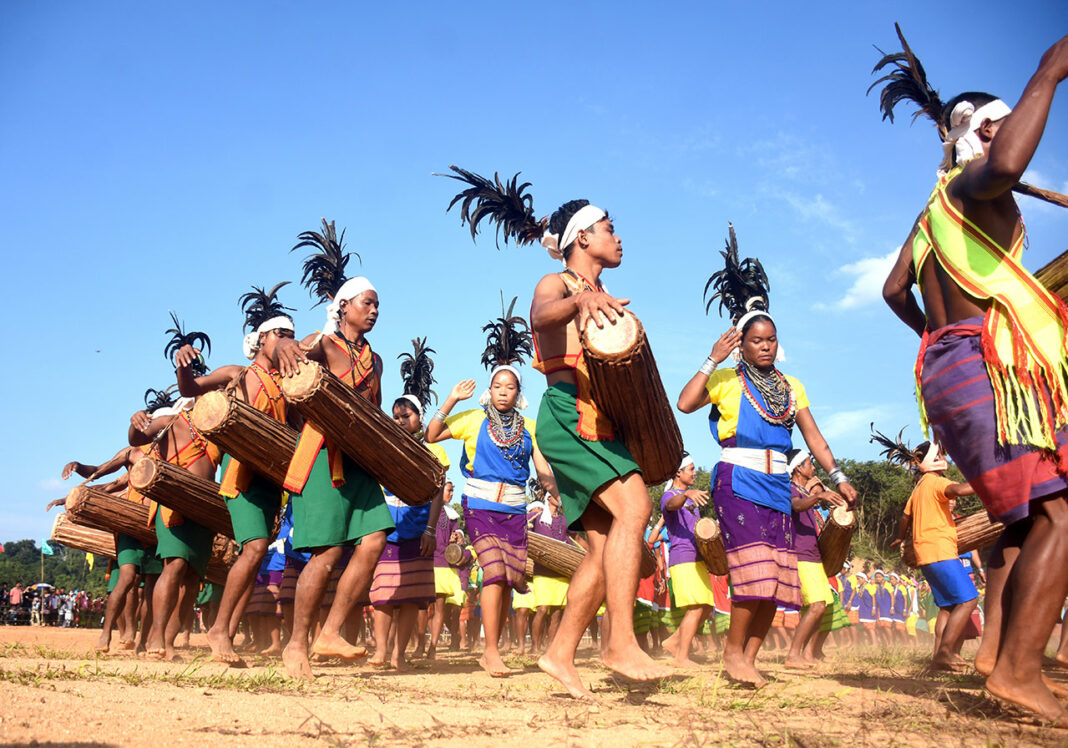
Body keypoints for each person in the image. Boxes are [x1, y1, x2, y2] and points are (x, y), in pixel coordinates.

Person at [879, 34, 1068, 722]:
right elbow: (1011, 159)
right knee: (1059, 514)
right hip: (983, 365)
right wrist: (1050, 69)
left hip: (954, 365)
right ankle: (1018, 671)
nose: (1014, 132)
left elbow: (895, 289)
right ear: (983, 132)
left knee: (1023, 518)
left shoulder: (932, 212)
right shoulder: (971, 183)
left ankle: (994, 658)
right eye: (1002, 122)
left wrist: (940, 339)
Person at [440, 170, 677, 695]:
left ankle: (560, 654)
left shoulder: (601, 290)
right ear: (583, 237)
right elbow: (541, 316)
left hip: (600, 418)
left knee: (600, 549)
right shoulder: (560, 284)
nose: (619, 237)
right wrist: (579, 301)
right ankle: (618, 641)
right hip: (569, 413)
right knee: (636, 509)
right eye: (610, 227)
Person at [677, 224, 857, 686]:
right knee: (752, 571)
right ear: (742, 341)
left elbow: (813, 437)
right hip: (738, 482)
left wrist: (837, 476)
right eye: (757, 340)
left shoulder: (791, 386)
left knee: (777, 578)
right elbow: (685, 402)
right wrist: (711, 358)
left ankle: (748, 659)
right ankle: (733, 655)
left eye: (771, 340)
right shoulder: (727, 379)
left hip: (778, 485)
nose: (766, 346)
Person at [275, 222, 395, 679]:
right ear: (343, 307)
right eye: (369, 303)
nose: (375, 310)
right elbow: (294, 350)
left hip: (361, 462)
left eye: (379, 304)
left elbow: (376, 410)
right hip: (322, 456)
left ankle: (330, 632)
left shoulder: (375, 359)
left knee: (374, 539)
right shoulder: (323, 345)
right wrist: (287, 342)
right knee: (325, 555)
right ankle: (295, 645)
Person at [425, 298, 558, 677]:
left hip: (515, 511)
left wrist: (555, 491)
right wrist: (451, 398)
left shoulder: (529, 427)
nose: (503, 391)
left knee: (512, 577)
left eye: (510, 386)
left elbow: (542, 469)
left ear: (518, 393)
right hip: (480, 505)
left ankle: (494, 646)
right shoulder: (471, 419)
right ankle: (492, 651)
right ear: (489, 389)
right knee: (495, 571)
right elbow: (432, 433)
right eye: (498, 385)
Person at [173, 282, 296, 666]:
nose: (288, 340)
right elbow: (192, 388)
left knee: (253, 554)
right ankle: (219, 630)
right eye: (281, 334)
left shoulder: (290, 383)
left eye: (292, 334)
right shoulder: (237, 374)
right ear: (262, 340)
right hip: (241, 476)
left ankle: (223, 629)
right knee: (256, 547)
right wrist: (183, 364)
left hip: (271, 482)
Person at [367, 338, 447, 671]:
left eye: (407, 415)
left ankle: (399, 654)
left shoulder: (433, 453)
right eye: (396, 415)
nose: (400, 420)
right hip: (387, 528)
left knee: (410, 597)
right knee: (384, 595)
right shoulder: (383, 447)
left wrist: (430, 529)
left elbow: (437, 495)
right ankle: (381, 652)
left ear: (420, 417)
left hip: (417, 531)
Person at [128, 384, 221, 661]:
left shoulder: (219, 427)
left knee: (193, 577)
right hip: (174, 505)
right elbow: (136, 438)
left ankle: (168, 642)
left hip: (204, 510)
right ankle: (156, 635)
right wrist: (135, 423)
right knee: (176, 565)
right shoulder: (174, 421)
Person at [886, 439, 979, 669]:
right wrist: (985, 480)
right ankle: (945, 652)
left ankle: (939, 655)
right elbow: (958, 490)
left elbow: (905, 517)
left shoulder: (919, 487)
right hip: (941, 551)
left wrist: (901, 536)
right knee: (969, 600)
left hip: (925, 555)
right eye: (941, 454)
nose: (944, 457)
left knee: (947, 607)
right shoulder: (937, 483)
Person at [784, 449, 846, 668]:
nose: (813, 467)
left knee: (824, 606)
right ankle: (793, 655)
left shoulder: (804, 490)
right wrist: (818, 496)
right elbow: (795, 505)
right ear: (798, 468)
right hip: (801, 556)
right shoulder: (791, 489)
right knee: (817, 605)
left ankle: (808, 654)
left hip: (813, 556)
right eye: (810, 463)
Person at [658, 454, 714, 668]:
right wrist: (686, 494)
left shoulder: (691, 498)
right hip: (683, 557)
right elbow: (671, 505)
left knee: (707, 607)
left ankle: (674, 642)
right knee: (695, 608)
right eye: (690, 468)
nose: (694, 472)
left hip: (697, 557)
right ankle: (681, 656)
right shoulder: (670, 495)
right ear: (677, 472)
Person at [527, 494, 571, 653]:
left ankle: (551, 648)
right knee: (542, 609)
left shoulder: (565, 519)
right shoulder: (536, 516)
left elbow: (573, 538)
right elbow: (520, 524)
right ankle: (535, 646)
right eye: (557, 495)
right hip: (542, 571)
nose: (560, 498)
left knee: (557, 613)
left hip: (561, 571)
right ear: (549, 498)